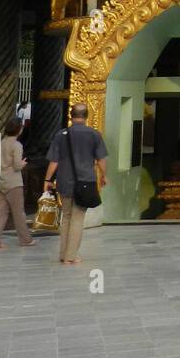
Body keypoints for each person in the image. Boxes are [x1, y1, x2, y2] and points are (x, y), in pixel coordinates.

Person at [43, 104, 107, 265]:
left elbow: (54, 161)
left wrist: (47, 180)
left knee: (66, 217)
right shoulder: (94, 135)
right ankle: (71, 256)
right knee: (78, 218)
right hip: (85, 181)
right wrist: (104, 176)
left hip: (64, 181)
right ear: (86, 116)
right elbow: (101, 160)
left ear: (71, 115)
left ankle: (63, 254)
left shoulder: (60, 135)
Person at [0, 116, 36, 250]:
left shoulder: (1, 143)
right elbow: (16, 165)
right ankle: (25, 239)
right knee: (19, 212)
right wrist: (23, 163)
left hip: (1, 181)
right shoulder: (16, 145)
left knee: (1, 212)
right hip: (14, 182)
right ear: (19, 130)